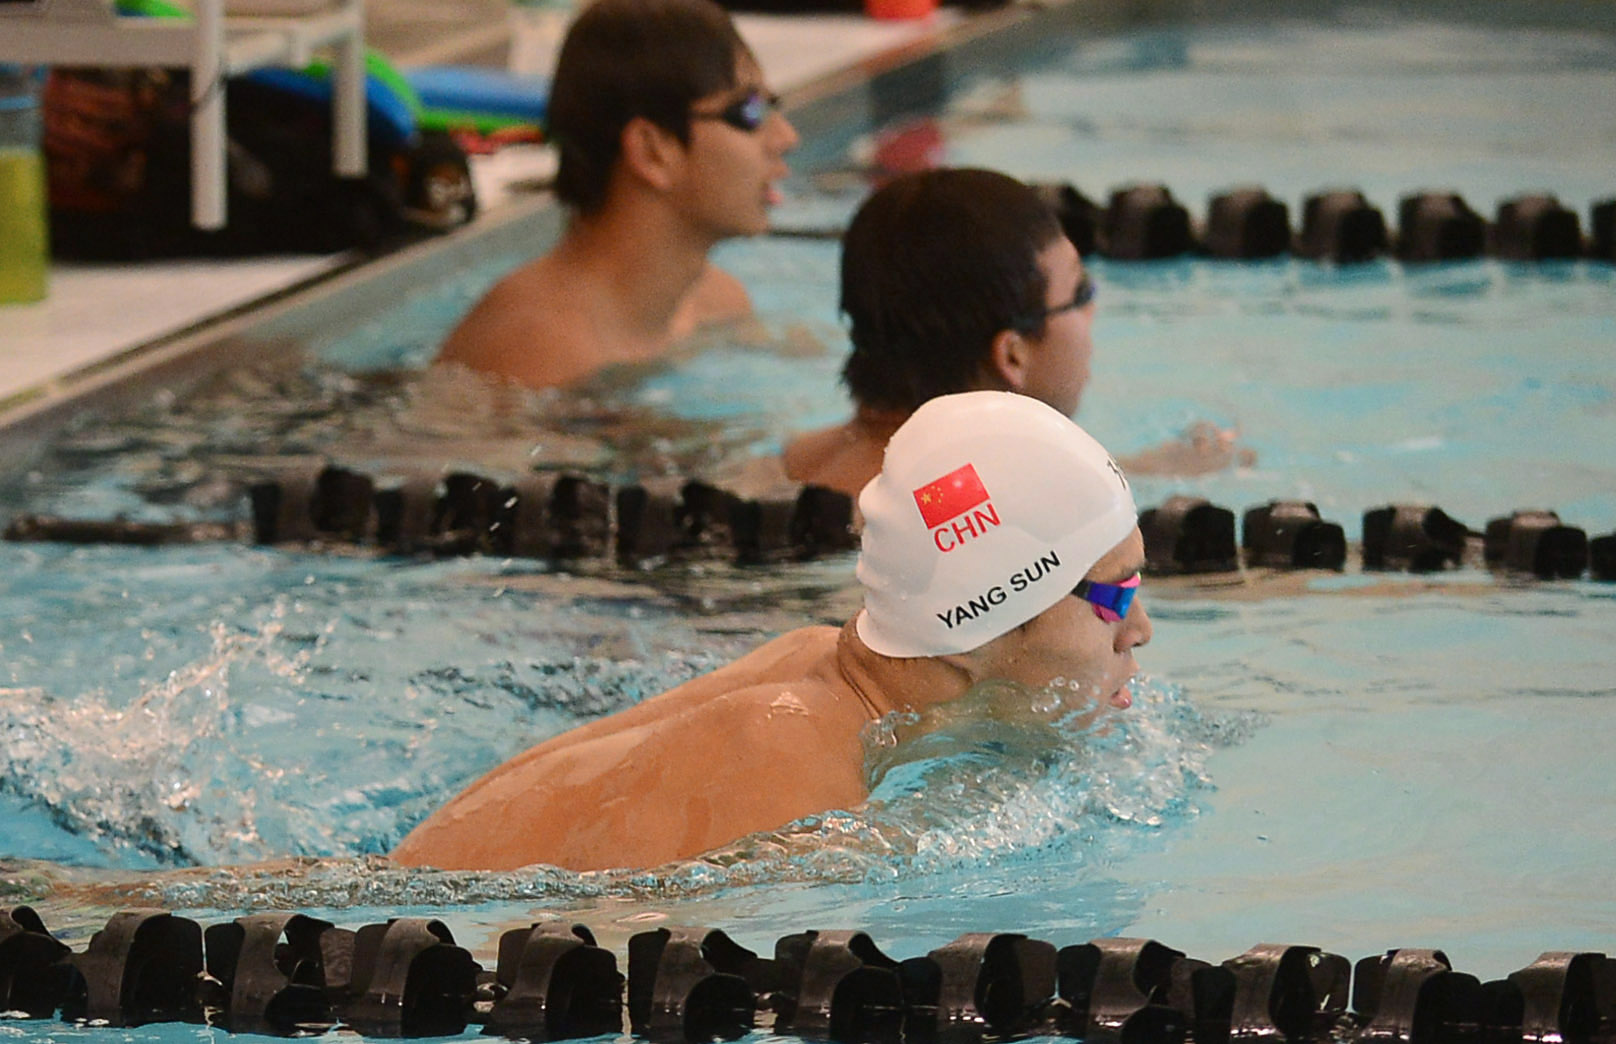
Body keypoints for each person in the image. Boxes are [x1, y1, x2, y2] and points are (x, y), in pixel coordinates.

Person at [390, 391, 1153, 872]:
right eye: (1116, 596)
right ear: (987, 614)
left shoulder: (819, 669)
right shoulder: (782, 753)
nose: (1141, 629)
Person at [782, 168, 1249, 498]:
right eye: (1081, 292)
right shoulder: (996, 520)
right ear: (1013, 356)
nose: (1094, 309)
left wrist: (1138, 468)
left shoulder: (792, 464)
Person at [434, 0, 799, 389]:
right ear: (652, 150)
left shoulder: (720, 305)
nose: (787, 137)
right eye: (749, 111)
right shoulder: (533, 352)